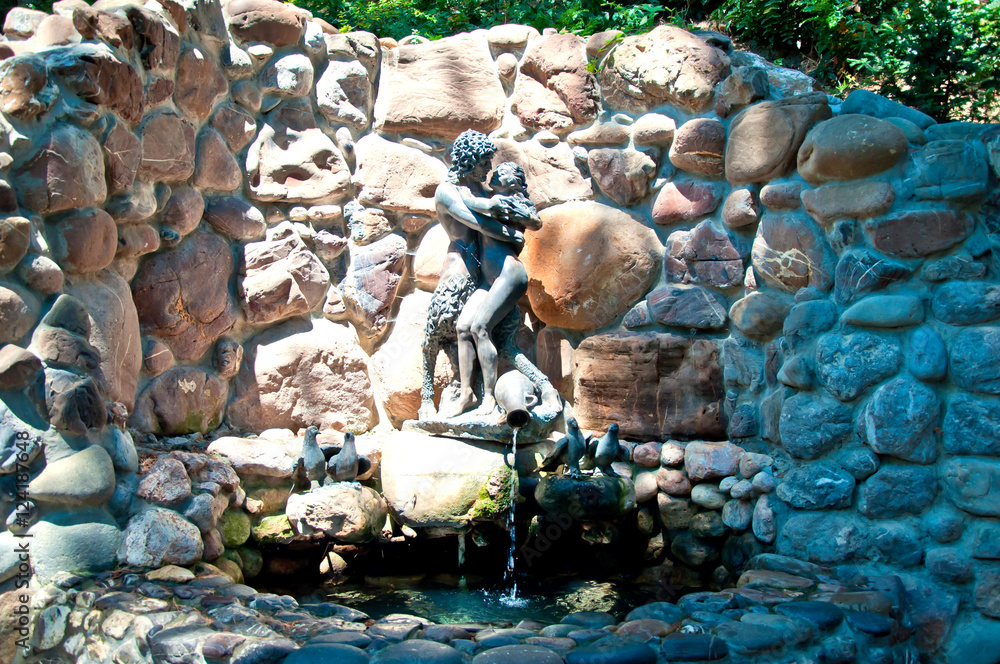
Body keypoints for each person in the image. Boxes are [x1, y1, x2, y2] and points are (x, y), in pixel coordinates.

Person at [418, 131, 525, 420]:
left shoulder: (477, 187)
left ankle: (481, 393)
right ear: (470, 160)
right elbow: (478, 223)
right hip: (461, 272)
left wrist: (514, 228)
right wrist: (512, 232)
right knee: (442, 332)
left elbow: (513, 213)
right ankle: (444, 394)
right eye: (484, 162)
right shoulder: (448, 190)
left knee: (477, 329)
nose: (488, 169)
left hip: (491, 274)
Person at [443, 161, 541, 419]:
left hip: (509, 274)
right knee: (463, 327)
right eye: (495, 169)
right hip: (489, 280)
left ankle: (488, 398)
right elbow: (483, 211)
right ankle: (467, 394)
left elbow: (534, 221)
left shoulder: (513, 201)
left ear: (515, 181)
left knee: (480, 327)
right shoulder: (490, 197)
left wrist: (465, 196)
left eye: (504, 171)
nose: (494, 172)